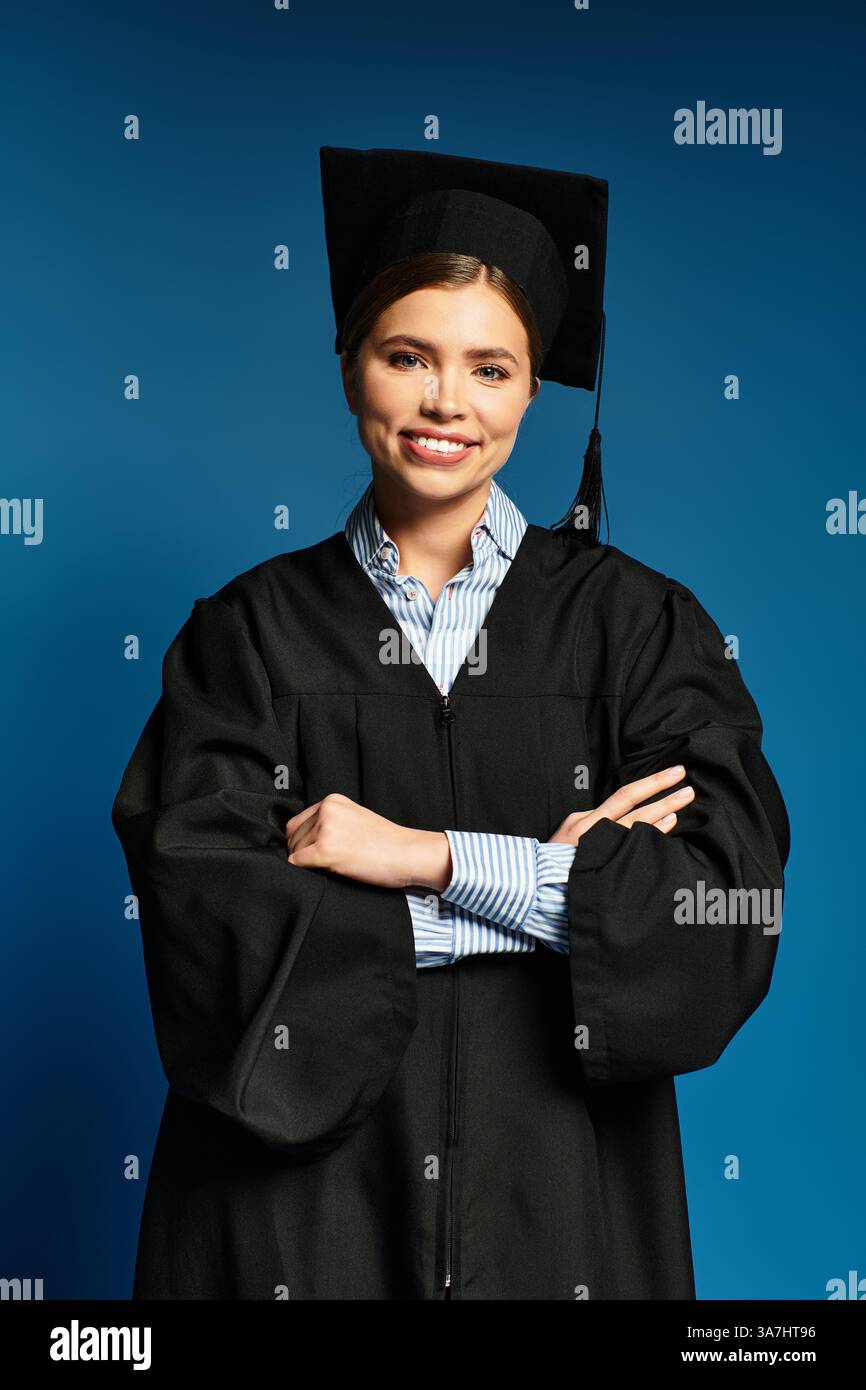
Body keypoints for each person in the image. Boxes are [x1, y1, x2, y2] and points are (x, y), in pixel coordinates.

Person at [111, 145, 790, 1300]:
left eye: (489, 367)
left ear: (533, 390)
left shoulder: (639, 630)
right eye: (406, 356)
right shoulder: (245, 638)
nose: (445, 403)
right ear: (348, 370)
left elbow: (718, 910)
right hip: (292, 1219)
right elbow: (205, 923)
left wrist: (415, 859)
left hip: (563, 1208)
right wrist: (555, 889)